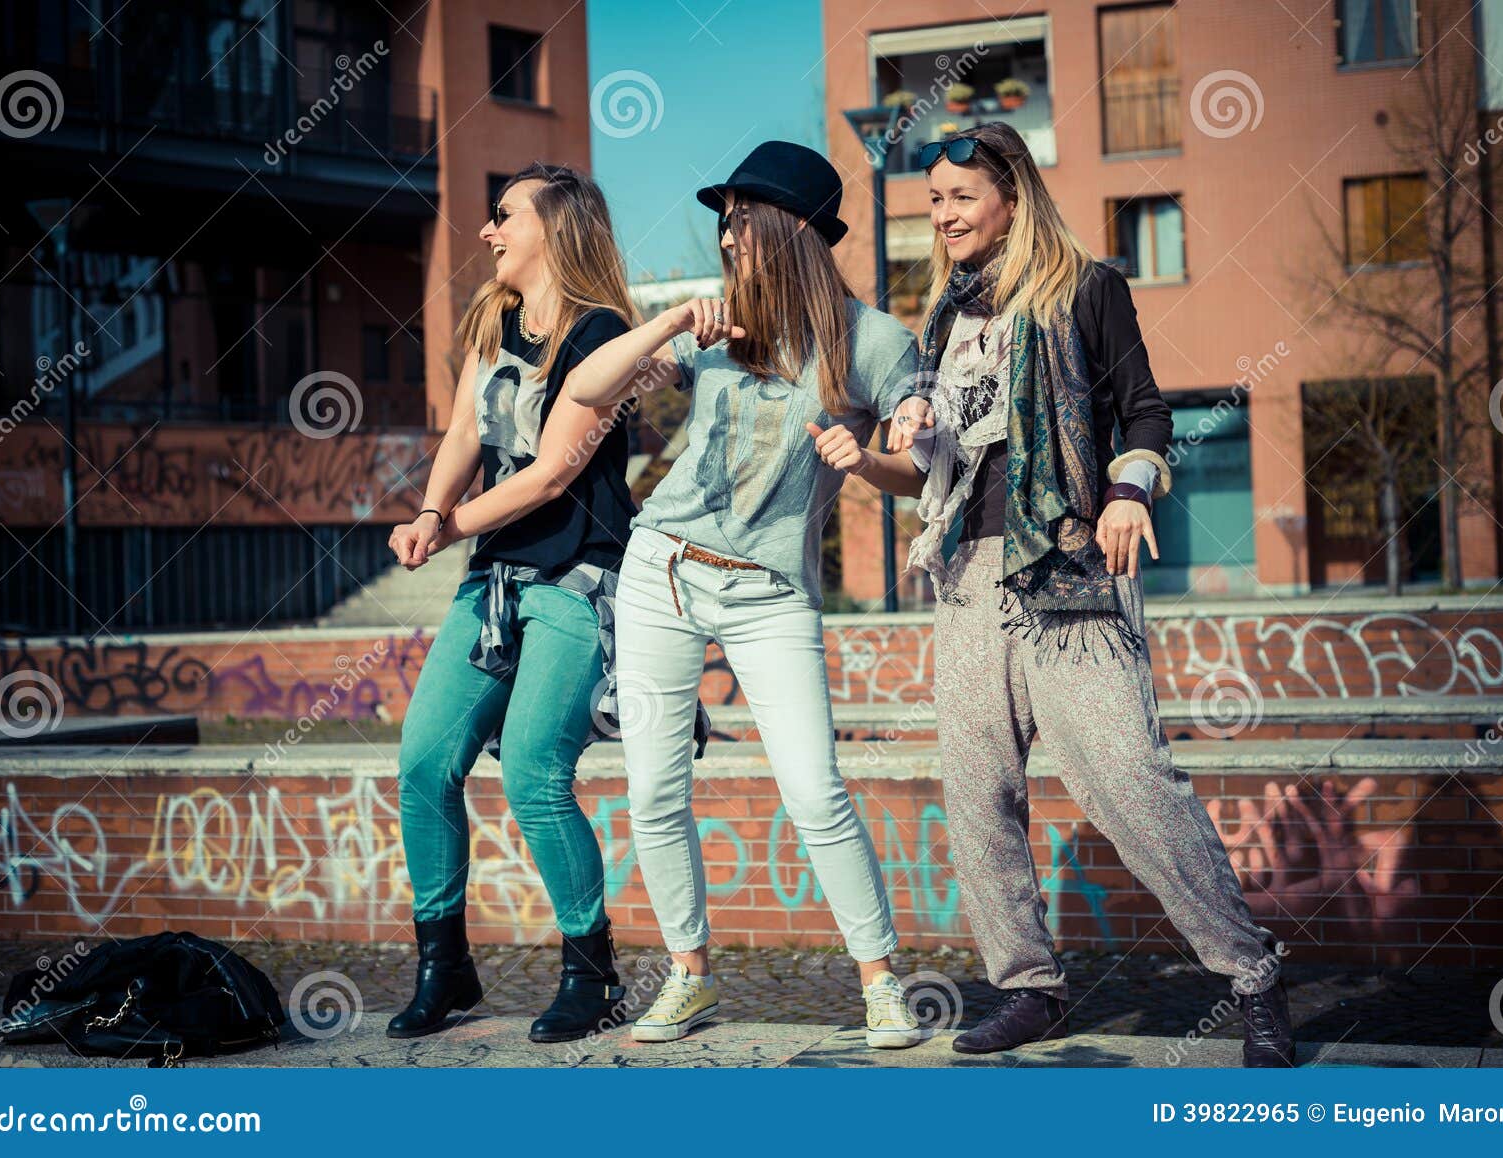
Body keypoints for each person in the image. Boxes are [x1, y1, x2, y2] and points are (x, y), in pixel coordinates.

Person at [819, 123, 1296, 1067]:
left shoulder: (1086, 287)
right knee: (978, 797)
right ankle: (1028, 989)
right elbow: (933, 475)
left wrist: (1128, 489)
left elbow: (1146, 407)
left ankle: (1251, 975)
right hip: (962, 580)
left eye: (960, 197)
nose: (943, 215)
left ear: (1012, 194)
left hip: (1070, 576)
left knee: (1131, 781)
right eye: (934, 202)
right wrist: (867, 462)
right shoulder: (945, 321)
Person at [566, 141, 927, 1048]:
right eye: (721, 225)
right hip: (662, 570)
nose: (727, 240)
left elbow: (924, 469)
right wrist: (667, 327)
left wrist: (872, 458)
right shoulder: (717, 328)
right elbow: (586, 388)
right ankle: (689, 974)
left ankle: (880, 981)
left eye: (740, 224)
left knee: (814, 791)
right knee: (653, 789)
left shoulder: (876, 341)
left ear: (792, 230)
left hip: (770, 595)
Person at [386, 163, 687, 1044]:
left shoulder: (602, 335)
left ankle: (589, 975)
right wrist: (431, 510)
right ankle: (446, 968)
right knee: (421, 763)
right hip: (493, 580)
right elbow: (463, 433)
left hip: (578, 577)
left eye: (503, 216)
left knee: (531, 772)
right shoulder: (493, 321)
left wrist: (446, 529)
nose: (487, 231)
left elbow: (555, 471)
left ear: (554, 227)